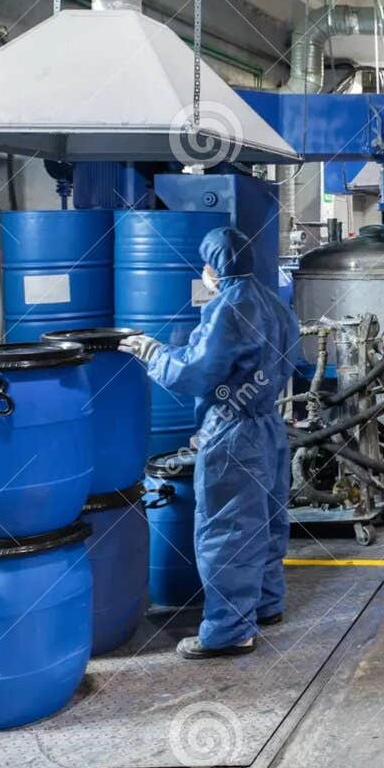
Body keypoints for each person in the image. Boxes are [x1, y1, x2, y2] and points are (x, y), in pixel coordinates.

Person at [122, 227, 301, 659]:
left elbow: (196, 372)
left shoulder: (229, 306)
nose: (204, 272)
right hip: (269, 426)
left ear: (216, 264)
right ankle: (267, 604)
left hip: (234, 432)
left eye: (206, 263)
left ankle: (229, 630)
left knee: (228, 529)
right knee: (267, 521)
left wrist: (153, 353)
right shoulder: (273, 302)